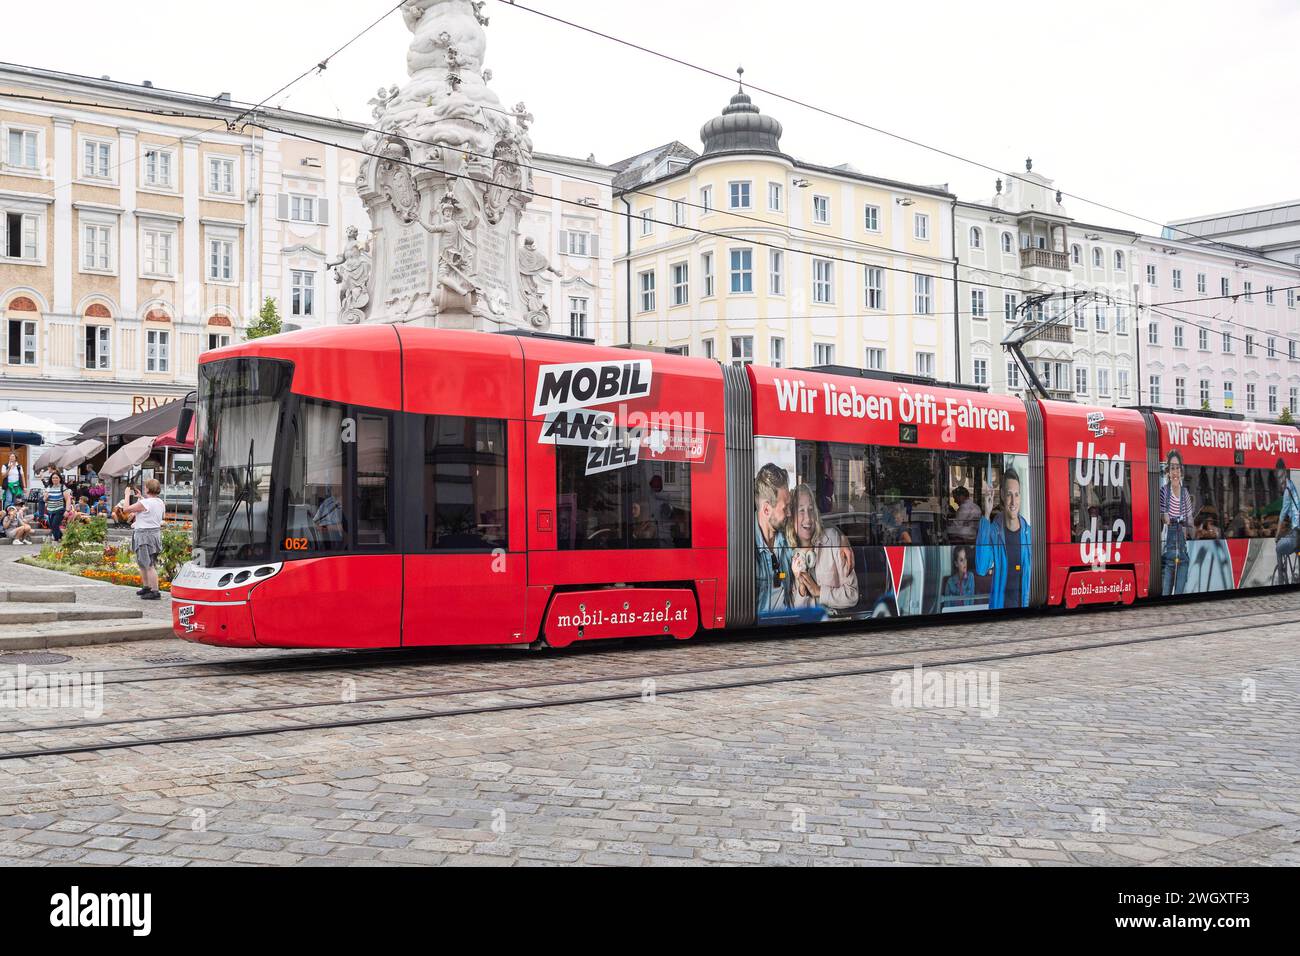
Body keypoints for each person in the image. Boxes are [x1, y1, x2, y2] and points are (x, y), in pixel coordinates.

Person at [786, 483, 858, 612]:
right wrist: (802, 589)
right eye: (801, 510)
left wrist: (819, 591)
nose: (808, 518)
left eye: (811, 509)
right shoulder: (788, 554)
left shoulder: (832, 539)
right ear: (792, 517)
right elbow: (795, 613)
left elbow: (852, 595)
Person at [975, 468, 1032, 609]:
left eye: (1017, 495)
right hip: (1000, 611)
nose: (1013, 502)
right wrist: (987, 514)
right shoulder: (994, 532)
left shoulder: (1028, 533)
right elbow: (981, 568)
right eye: (1009, 495)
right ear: (1001, 495)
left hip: (1024, 611)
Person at [754, 462, 793, 615]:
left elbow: (818, 528)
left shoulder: (788, 537)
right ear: (766, 509)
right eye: (785, 508)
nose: (789, 513)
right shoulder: (742, 546)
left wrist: (841, 537)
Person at [122, 478, 165, 600]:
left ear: (147, 488)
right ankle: (147, 586)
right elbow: (148, 508)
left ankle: (155, 591)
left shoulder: (146, 503)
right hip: (154, 533)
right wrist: (141, 498)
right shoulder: (159, 502)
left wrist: (126, 495)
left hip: (144, 535)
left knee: (149, 564)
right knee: (143, 562)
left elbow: (126, 509)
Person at [1159, 449, 1195, 595]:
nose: (1175, 472)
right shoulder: (1164, 492)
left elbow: (1190, 520)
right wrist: (1178, 520)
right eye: (1172, 468)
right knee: (1166, 592)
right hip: (1169, 549)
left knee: (1179, 593)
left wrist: (1192, 529)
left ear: (1181, 471)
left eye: (1177, 468)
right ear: (1168, 471)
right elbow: (1164, 517)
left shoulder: (1185, 493)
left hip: (1182, 549)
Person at [1274, 458, 1300, 584]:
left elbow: (1282, 514)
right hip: (1297, 533)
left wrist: (1277, 535)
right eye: (1278, 477)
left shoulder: (1287, 491)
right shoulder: (1293, 486)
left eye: (1281, 476)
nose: (1280, 480)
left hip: (1296, 534)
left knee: (1278, 548)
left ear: (1284, 472)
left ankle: (1280, 581)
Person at [43, 470, 71, 543]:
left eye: (56, 478)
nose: (54, 479)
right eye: (53, 478)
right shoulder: (49, 487)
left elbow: (68, 499)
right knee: (52, 526)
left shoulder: (63, 487)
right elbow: (45, 500)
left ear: (60, 479)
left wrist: (67, 510)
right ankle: (62, 537)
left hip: (60, 509)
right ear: (51, 479)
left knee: (55, 525)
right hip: (50, 510)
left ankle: (56, 540)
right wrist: (45, 497)